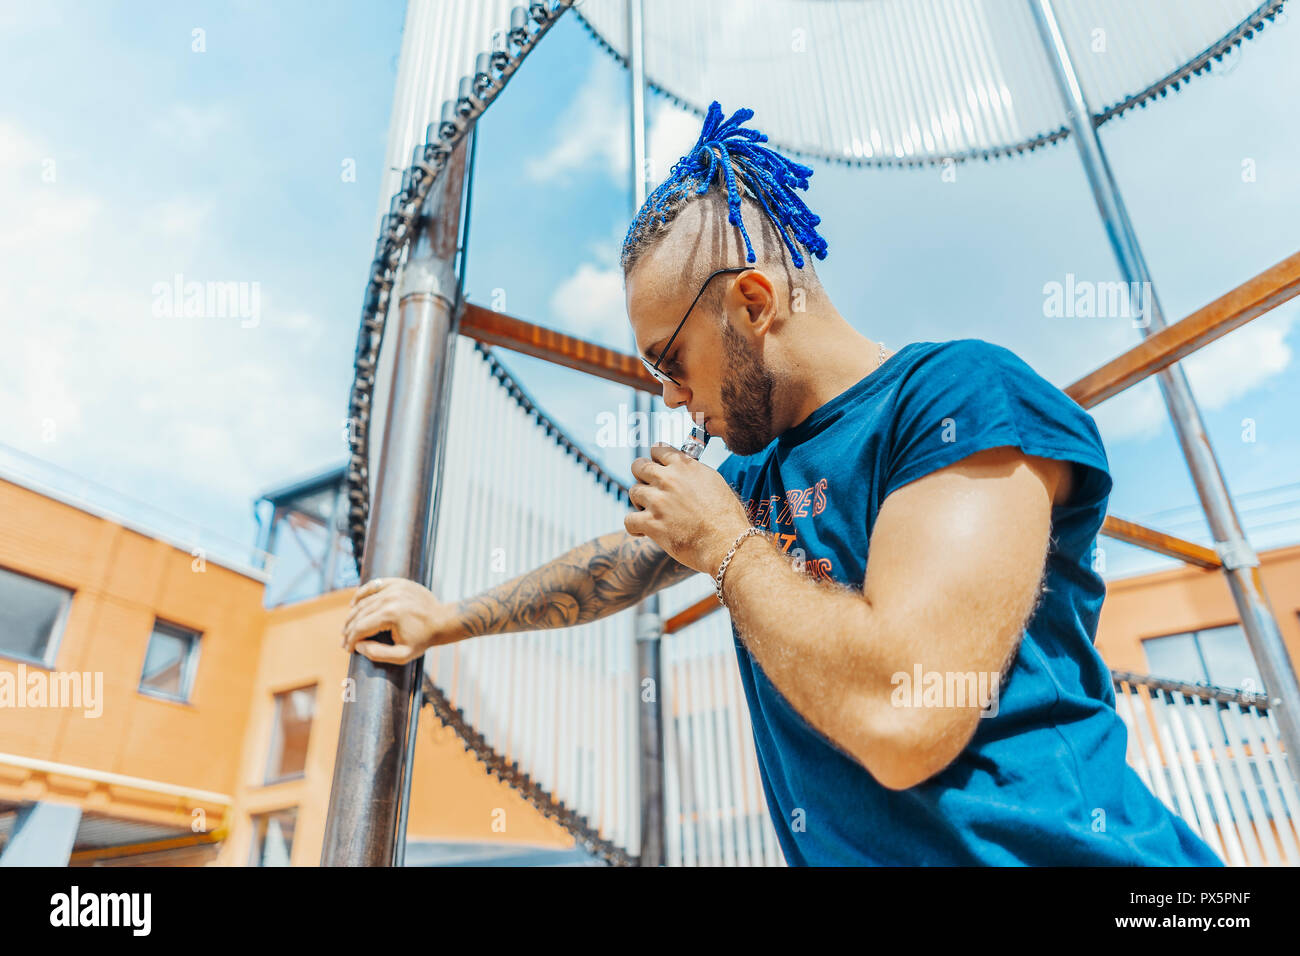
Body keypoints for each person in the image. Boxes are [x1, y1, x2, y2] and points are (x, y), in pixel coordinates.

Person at [342, 102, 1221, 866]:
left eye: (671, 362)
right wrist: (449, 619)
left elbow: (903, 717)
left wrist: (727, 545)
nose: (675, 398)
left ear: (755, 304)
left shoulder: (960, 397)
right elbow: (617, 564)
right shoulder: (755, 474)